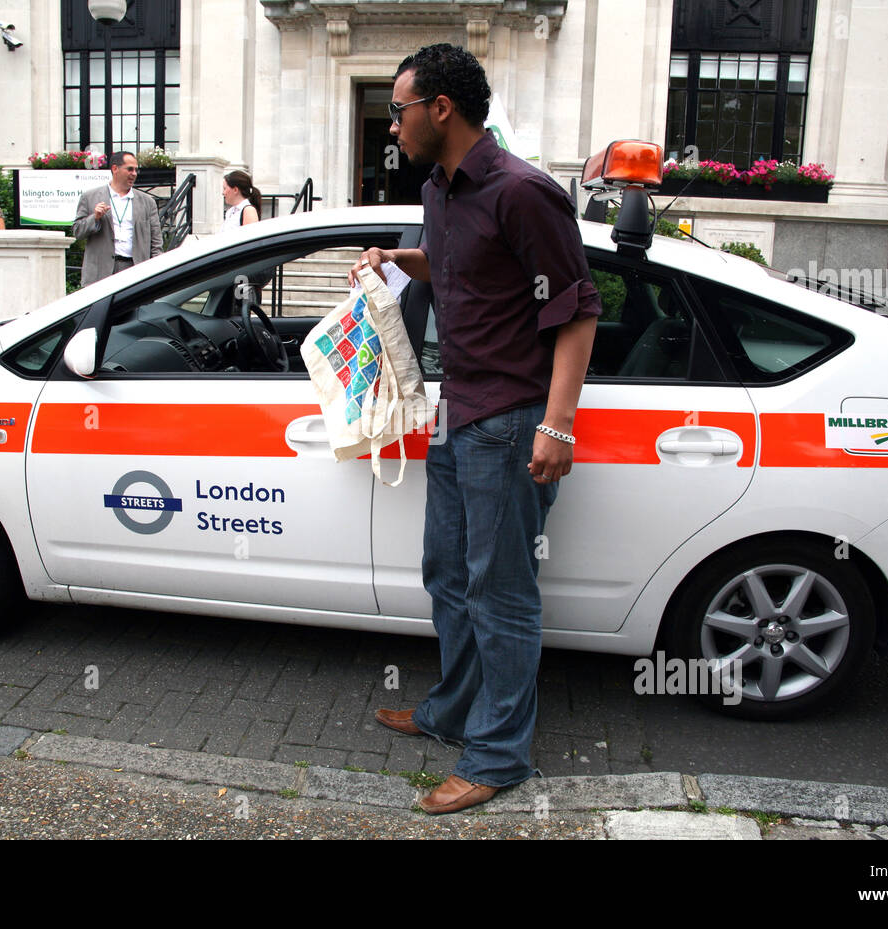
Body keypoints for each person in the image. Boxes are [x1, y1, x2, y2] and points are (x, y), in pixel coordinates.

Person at [351, 44, 599, 815]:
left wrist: (557, 427)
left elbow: (576, 308)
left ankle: (498, 755)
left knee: (501, 594)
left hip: (510, 421)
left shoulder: (524, 192)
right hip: (455, 416)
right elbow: (462, 267)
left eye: (398, 110)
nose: (391, 125)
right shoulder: (439, 190)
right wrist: (403, 260)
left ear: (441, 108)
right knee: (448, 576)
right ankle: (453, 710)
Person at [72, 151, 162, 287]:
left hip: (135, 269)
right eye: (130, 169)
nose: (134, 174)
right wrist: (95, 218)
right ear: (115, 169)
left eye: (136, 170)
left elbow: (156, 242)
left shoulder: (147, 202)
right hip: (100, 273)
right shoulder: (90, 197)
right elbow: (77, 231)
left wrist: (156, 272)